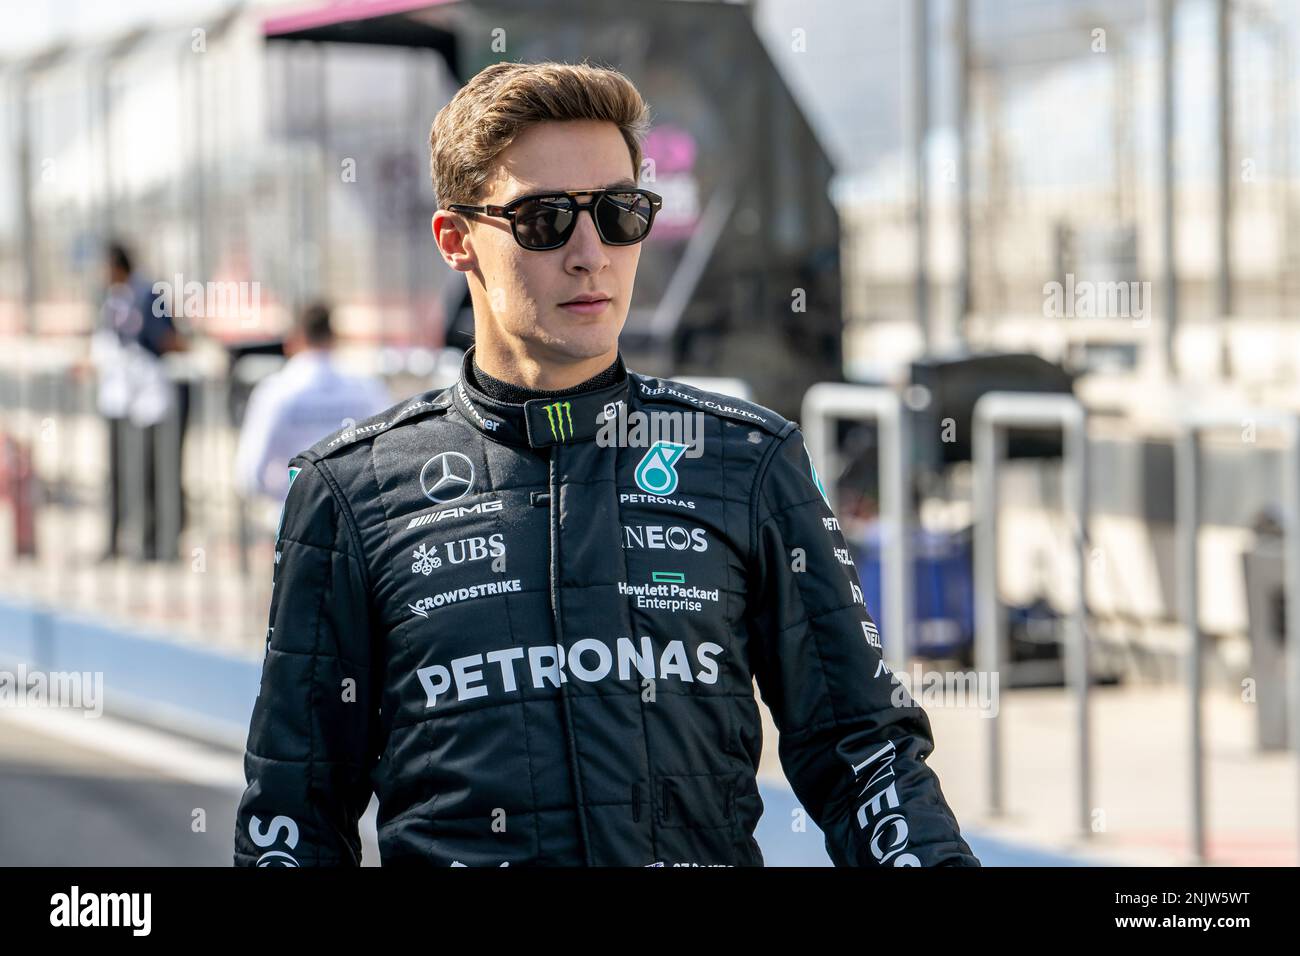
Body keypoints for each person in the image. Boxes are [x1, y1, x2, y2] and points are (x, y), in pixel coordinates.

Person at [234, 61, 978, 867]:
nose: (591, 254)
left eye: (619, 213)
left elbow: (864, 753)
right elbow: (294, 814)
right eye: (545, 219)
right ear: (457, 240)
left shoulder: (750, 464)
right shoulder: (350, 493)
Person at [233, 302, 390, 508]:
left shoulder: (275, 391)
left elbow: (250, 474)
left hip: (296, 516)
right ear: (333, 337)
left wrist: (290, 496)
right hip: (357, 516)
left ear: (293, 340)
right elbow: (391, 455)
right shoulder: (367, 387)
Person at [91, 241, 187, 562]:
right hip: (124, 398)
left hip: (154, 398)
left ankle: (160, 544)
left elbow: (166, 338)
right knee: (124, 471)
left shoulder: (148, 293)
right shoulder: (113, 298)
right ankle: (125, 540)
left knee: (156, 472)